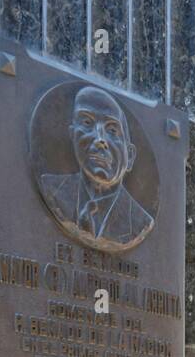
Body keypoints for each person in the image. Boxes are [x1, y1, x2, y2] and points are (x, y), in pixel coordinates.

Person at [40, 85, 154, 250]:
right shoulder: (50, 189)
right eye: (87, 122)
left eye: (112, 130)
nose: (100, 139)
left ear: (130, 156)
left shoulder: (140, 222)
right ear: (72, 136)